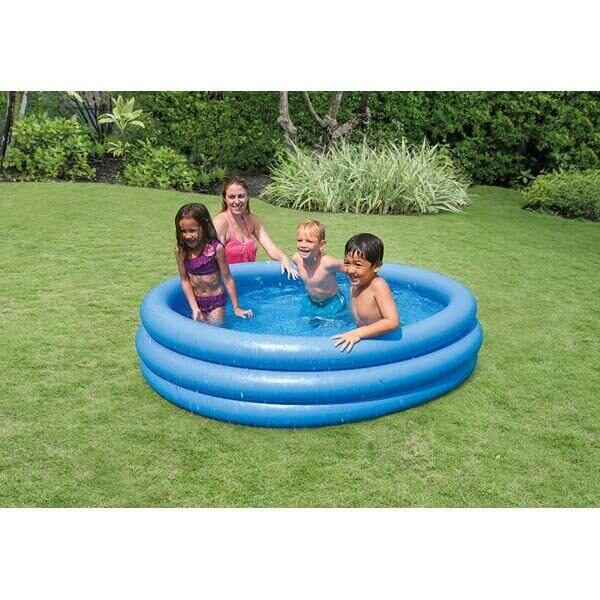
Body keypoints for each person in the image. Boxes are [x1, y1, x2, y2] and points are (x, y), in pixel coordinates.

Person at [174, 203, 252, 325]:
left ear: (204, 227)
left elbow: (227, 278)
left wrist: (236, 307)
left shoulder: (216, 249)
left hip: (216, 301)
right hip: (197, 301)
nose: (187, 236)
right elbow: (185, 280)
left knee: (215, 328)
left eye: (192, 231)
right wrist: (195, 308)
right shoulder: (181, 251)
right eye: (183, 231)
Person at [212, 176, 298, 279]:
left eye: (241, 196)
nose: (237, 201)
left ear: (247, 196)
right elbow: (211, 258)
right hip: (227, 281)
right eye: (231, 197)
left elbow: (271, 248)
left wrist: (283, 257)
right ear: (224, 199)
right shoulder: (220, 223)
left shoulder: (252, 220)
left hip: (250, 280)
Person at [331, 233, 400, 352]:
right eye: (347, 263)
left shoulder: (378, 285)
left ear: (376, 266)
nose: (350, 270)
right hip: (367, 338)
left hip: (384, 343)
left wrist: (358, 333)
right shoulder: (354, 287)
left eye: (358, 265)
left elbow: (392, 322)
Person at [291, 220, 346, 319]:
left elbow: (350, 269)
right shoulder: (297, 259)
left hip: (333, 303)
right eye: (299, 240)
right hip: (311, 302)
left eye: (309, 241)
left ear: (321, 245)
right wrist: (285, 263)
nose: (303, 245)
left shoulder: (327, 263)